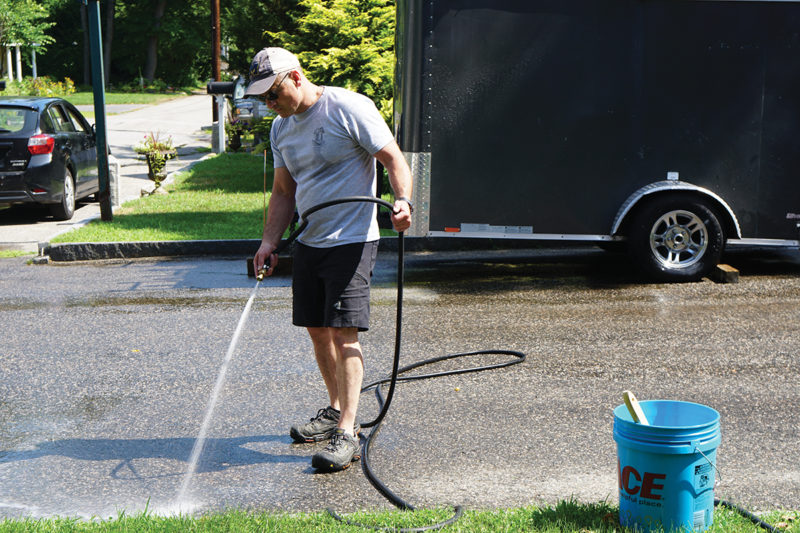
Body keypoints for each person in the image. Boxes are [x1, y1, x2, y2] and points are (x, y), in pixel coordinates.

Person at [248, 47, 413, 472]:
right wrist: (270, 242)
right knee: (318, 331)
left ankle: (348, 432)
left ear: (296, 77)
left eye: (273, 93)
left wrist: (403, 200)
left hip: (353, 239)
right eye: (263, 98)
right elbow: (284, 192)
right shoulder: (281, 129)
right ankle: (335, 408)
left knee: (344, 333)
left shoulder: (348, 108)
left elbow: (393, 158)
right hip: (310, 240)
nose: (269, 104)